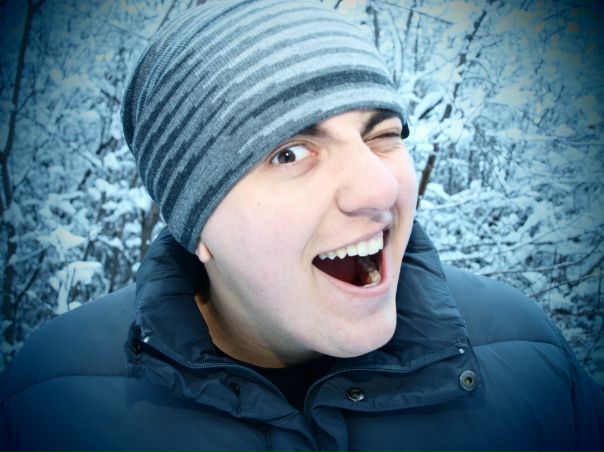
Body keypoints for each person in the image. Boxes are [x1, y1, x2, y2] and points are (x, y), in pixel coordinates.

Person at [1, 1, 602, 450]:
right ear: (196, 225)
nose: (379, 188)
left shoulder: (530, 359)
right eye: (289, 153)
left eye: (382, 135)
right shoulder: (51, 403)